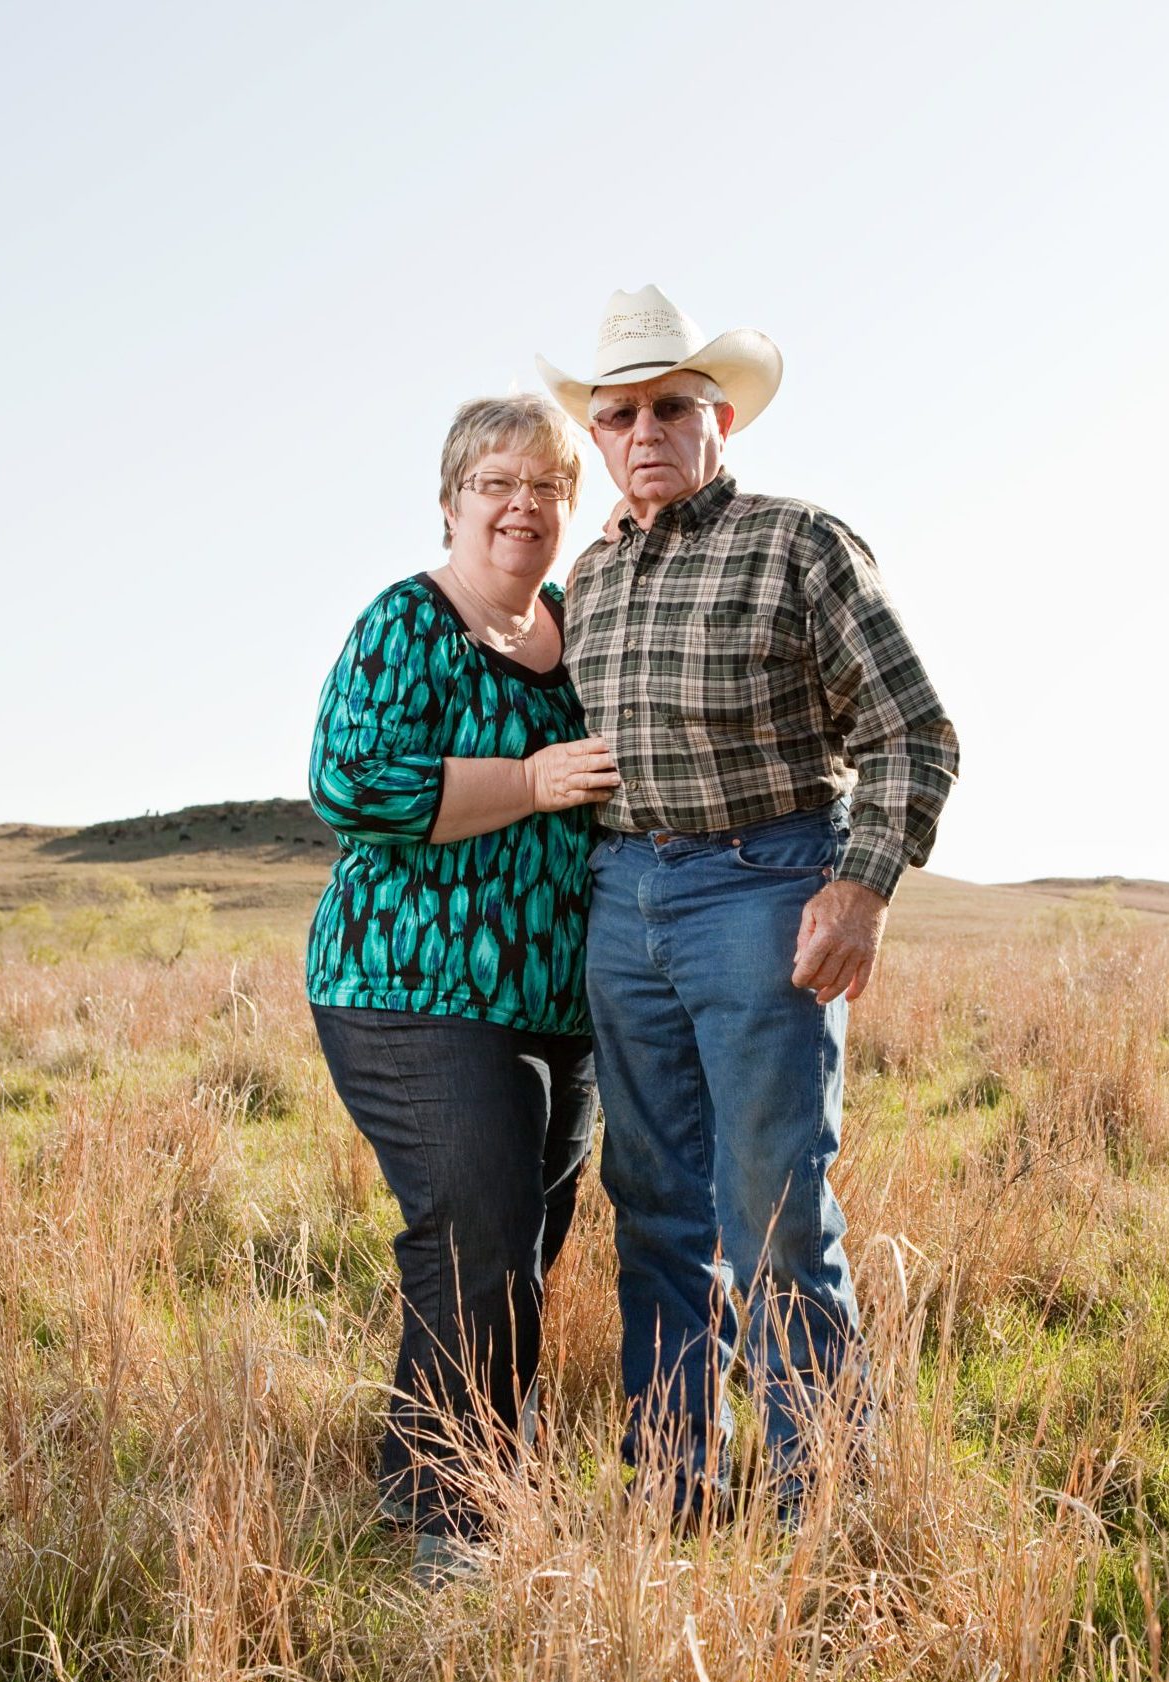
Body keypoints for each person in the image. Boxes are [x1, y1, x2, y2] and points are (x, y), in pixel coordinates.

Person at [537, 286, 959, 1520]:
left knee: (772, 1204)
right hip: (625, 896)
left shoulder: (799, 544)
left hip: (761, 885)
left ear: (720, 417)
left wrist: (862, 887)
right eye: (618, 416)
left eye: (671, 407)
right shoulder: (594, 573)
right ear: (602, 440)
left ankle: (819, 1500)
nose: (644, 430)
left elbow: (914, 734)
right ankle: (676, 1483)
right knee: (655, 1206)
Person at [305, 393, 621, 1579]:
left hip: (557, 1010)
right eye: (496, 483)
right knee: (478, 1229)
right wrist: (534, 782)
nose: (520, 505)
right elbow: (353, 784)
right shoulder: (411, 621)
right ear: (450, 503)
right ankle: (457, 1518)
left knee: (519, 1247)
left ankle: (430, 1462)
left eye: (544, 487)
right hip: (410, 991)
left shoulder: (576, 640)